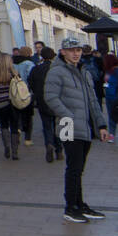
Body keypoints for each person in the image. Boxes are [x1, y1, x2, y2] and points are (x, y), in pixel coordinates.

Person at [43, 36, 109, 223]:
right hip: (68, 125)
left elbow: (93, 101)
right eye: (71, 50)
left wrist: (101, 124)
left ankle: (80, 204)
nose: (75, 53)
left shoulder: (84, 72)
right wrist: (68, 115)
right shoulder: (56, 71)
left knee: (79, 168)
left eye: (78, 50)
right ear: (63, 52)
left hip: (85, 126)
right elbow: (51, 98)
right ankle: (70, 206)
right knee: (73, 167)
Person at [28, 48, 61, 161]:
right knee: (58, 125)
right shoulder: (57, 68)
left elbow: (30, 83)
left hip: (42, 100)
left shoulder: (36, 68)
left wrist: (37, 93)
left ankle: (49, 144)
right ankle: (59, 150)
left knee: (47, 126)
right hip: (57, 101)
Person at [12, 49, 35, 145]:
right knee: (28, 116)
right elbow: (32, 77)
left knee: (16, 114)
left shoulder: (12, 63)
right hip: (26, 93)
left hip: (15, 92)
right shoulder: (29, 64)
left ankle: (17, 130)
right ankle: (28, 139)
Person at [103, 53, 118, 142]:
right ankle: (111, 135)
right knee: (111, 116)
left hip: (114, 96)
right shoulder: (109, 71)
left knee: (112, 116)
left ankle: (112, 135)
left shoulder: (114, 71)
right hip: (110, 97)